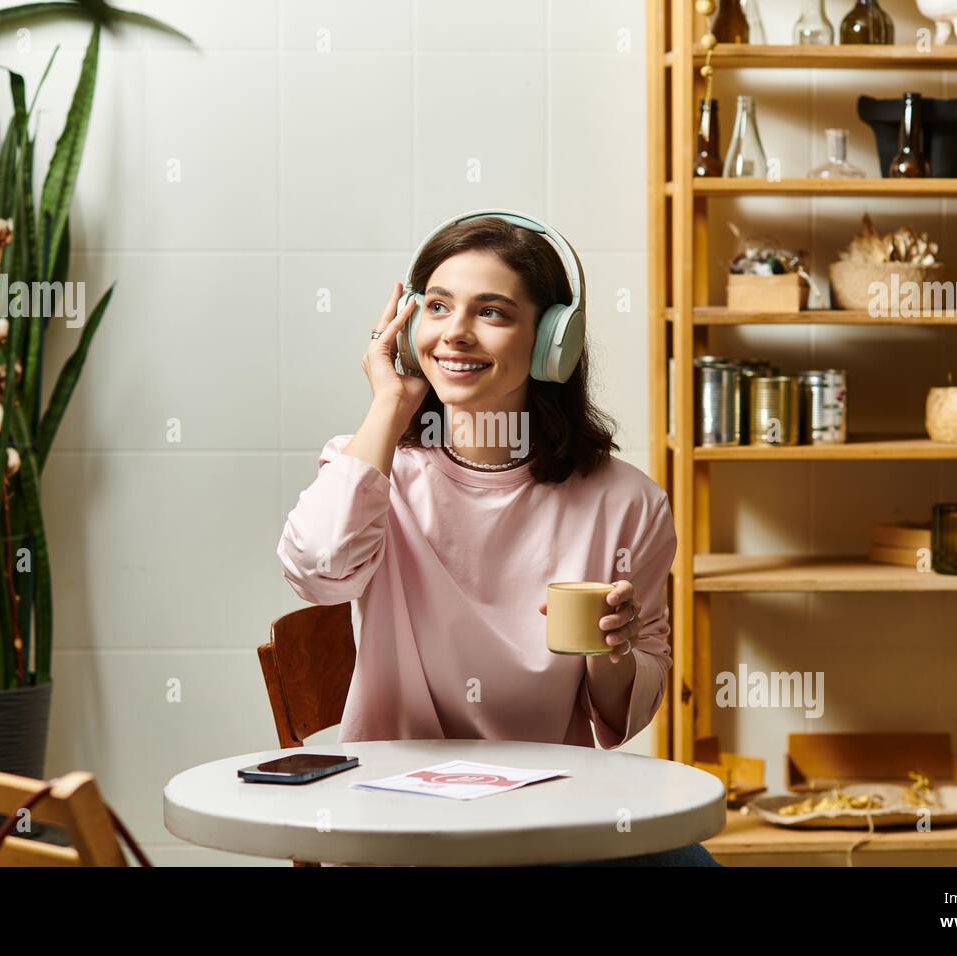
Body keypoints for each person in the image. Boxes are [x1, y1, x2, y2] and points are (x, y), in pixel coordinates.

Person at [277, 213, 720, 867]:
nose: (455, 332)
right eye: (436, 307)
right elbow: (317, 572)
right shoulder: (369, 467)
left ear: (552, 343)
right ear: (406, 327)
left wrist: (615, 651)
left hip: (554, 819)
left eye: (492, 312)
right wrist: (389, 406)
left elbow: (624, 718)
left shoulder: (626, 501)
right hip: (398, 820)